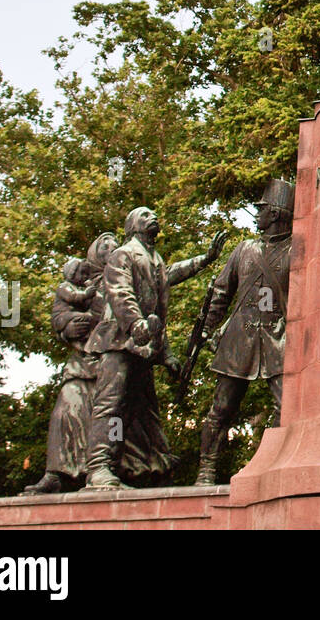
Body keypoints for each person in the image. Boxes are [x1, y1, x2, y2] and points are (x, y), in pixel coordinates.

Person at [83, 207, 224, 490]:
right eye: (145, 215)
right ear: (132, 226)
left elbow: (160, 303)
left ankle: (137, 467)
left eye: (154, 214)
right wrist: (135, 324)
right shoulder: (123, 254)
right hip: (120, 342)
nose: (154, 217)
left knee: (140, 412)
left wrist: (206, 259)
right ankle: (99, 467)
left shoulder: (155, 259)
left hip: (143, 348)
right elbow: (120, 292)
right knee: (111, 406)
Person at [195, 180, 295, 485]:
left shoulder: (297, 249)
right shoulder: (245, 249)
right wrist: (210, 329)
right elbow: (221, 292)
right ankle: (206, 471)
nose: (257, 215)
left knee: (287, 408)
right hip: (239, 339)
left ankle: (271, 465)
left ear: (276, 213)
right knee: (221, 408)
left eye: (262, 209)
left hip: (279, 339)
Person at [21, 233, 116, 493]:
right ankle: (56, 471)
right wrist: (66, 327)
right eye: (105, 245)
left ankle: (114, 467)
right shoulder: (82, 284)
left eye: (115, 246)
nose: (112, 248)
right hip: (83, 363)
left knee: (114, 420)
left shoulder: (125, 279)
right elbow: (60, 316)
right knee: (65, 408)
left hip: (114, 363)